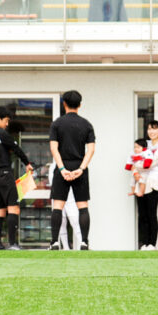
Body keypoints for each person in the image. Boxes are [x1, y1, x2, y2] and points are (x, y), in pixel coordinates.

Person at [48, 90, 97, 249]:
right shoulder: (86, 124)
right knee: (82, 206)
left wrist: (62, 168)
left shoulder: (57, 124)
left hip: (62, 166)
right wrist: (81, 168)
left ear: (64, 104)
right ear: (80, 105)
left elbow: (54, 149)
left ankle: (55, 242)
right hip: (79, 167)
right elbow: (91, 150)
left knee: (58, 206)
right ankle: (84, 242)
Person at [0, 104, 34, 249]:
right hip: (5, 173)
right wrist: (27, 163)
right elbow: (15, 147)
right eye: (6, 121)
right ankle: (13, 243)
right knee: (13, 208)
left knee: (0, 209)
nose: (7, 124)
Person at [128, 119, 158, 249]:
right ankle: (143, 243)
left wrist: (136, 166)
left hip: (154, 181)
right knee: (142, 214)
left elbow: (152, 163)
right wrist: (135, 170)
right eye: (149, 129)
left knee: (151, 213)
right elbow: (132, 159)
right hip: (140, 181)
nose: (151, 131)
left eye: (154, 129)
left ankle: (152, 244)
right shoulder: (145, 144)